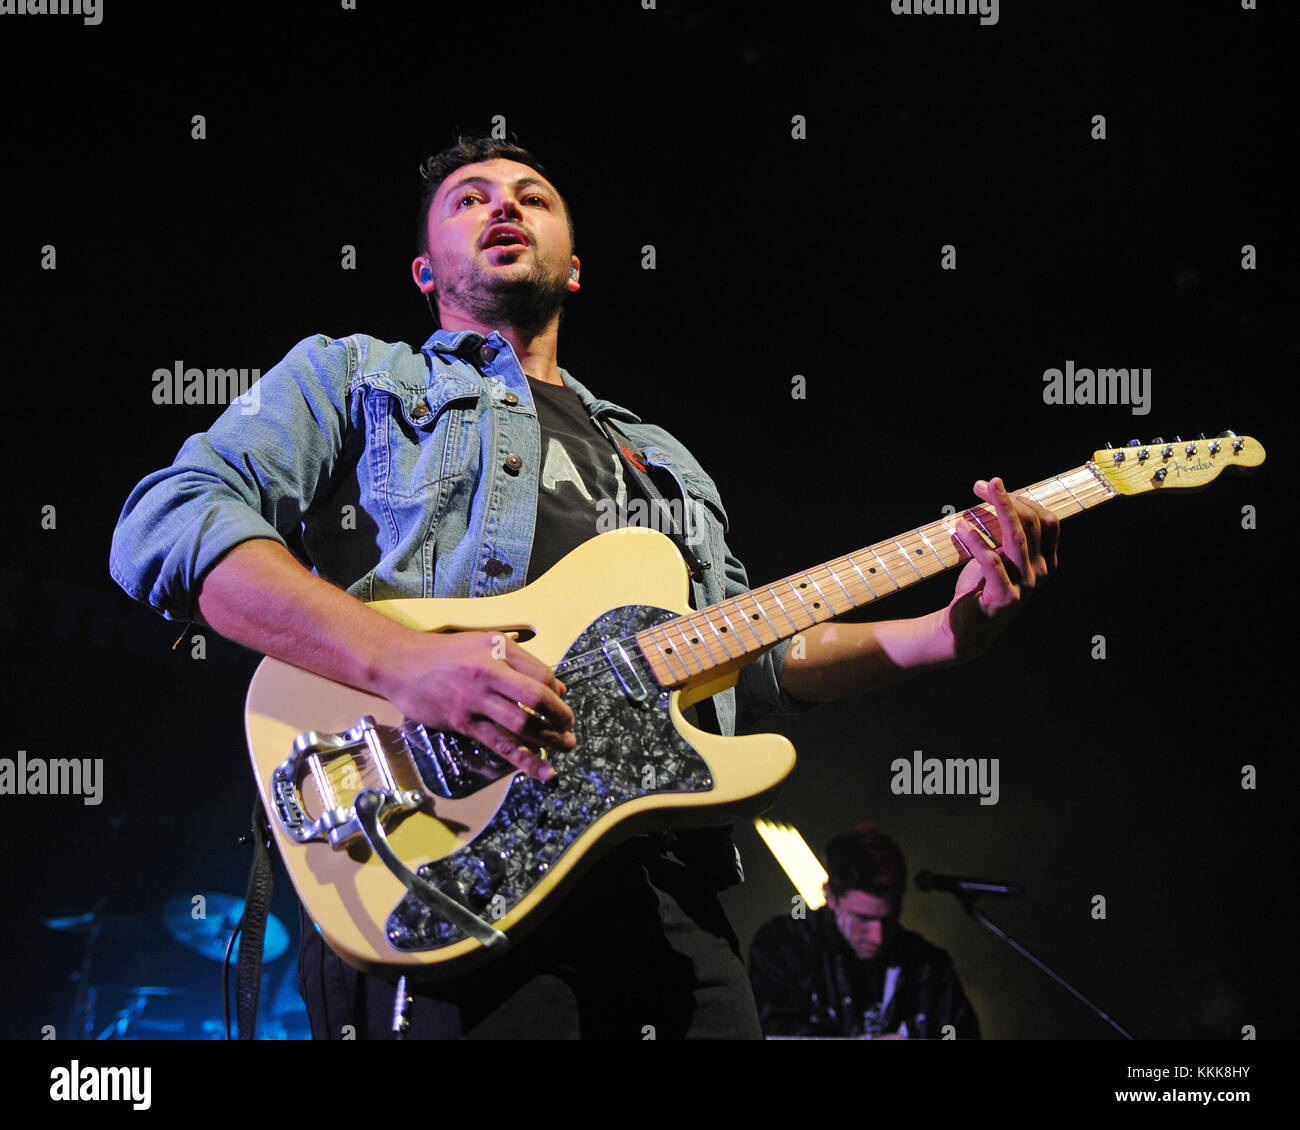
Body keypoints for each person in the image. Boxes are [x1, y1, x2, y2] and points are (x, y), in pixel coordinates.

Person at [109, 135, 1058, 1039]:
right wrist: (407, 667)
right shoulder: (355, 376)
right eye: (468, 199)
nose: (504, 207)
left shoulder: (665, 463)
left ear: (574, 267)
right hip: (440, 854)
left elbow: (758, 659)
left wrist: (949, 631)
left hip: (662, 895)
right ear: (424, 272)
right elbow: (167, 522)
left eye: (533, 197)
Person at [749, 823, 980, 1039]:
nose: (877, 936)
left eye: (888, 919)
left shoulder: (930, 966)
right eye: (863, 918)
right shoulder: (782, 947)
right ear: (830, 896)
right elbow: (767, 1032)